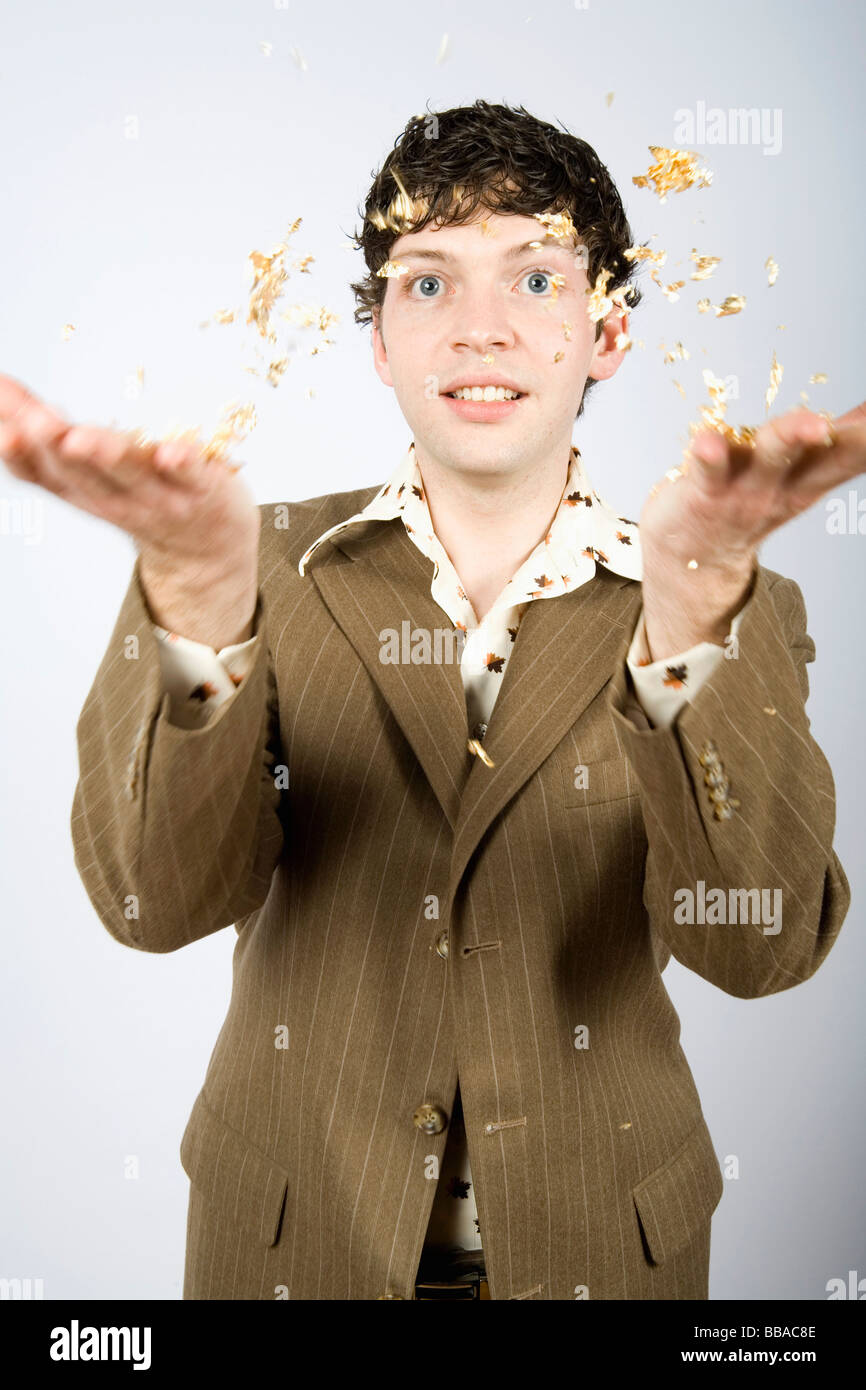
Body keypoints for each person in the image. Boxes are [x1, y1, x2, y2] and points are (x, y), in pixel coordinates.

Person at [2, 100, 863, 1301]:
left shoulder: (709, 598)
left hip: (598, 1254)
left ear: (607, 328)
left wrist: (692, 617)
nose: (479, 331)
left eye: (535, 278)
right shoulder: (243, 566)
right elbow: (152, 903)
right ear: (377, 336)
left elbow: (759, 944)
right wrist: (199, 606)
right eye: (425, 284)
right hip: (293, 1249)